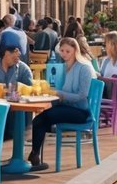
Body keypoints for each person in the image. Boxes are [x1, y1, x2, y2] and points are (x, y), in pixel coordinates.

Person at [28, 37, 96, 172]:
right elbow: (64, 93)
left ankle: (34, 156)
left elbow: (82, 95)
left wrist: (60, 95)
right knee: (38, 119)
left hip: (82, 112)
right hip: (70, 107)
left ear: (75, 51)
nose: (64, 54)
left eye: (68, 51)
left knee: (46, 117)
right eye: (62, 51)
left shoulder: (84, 68)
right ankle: (34, 155)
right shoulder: (68, 67)